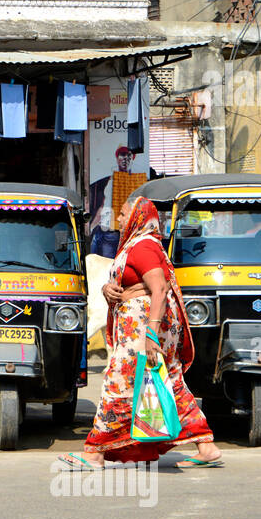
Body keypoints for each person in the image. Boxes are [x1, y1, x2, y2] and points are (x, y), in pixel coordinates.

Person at [60, 196, 222, 470]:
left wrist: (151, 334)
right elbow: (131, 285)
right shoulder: (139, 245)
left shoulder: (143, 247)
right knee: (170, 383)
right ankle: (206, 446)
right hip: (144, 326)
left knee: (117, 383)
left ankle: (95, 452)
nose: (119, 220)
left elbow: (159, 289)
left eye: (123, 214)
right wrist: (107, 291)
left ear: (137, 217)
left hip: (143, 329)